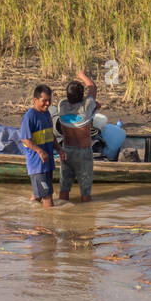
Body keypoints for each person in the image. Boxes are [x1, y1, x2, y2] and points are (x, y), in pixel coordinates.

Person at [53, 68, 98, 203]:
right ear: (82, 96)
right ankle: (87, 218)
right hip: (83, 153)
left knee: (64, 188)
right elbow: (93, 87)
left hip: (66, 150)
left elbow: (87, 94)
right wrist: (82, 75)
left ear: (67, 96)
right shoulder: (87, 107)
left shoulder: (62, 106)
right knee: (85, 191)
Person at [19, 85, 58, 207]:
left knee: (40, 194)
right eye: (44, 101)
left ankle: (26, 213)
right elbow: (25, 139)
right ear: (35, 100)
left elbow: (50, 134)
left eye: (49, 101)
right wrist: (40, 151)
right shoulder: (30, 116)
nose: (47, 104)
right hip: (37, 165)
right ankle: (48, 224)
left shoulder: (46, 114)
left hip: (48, 162)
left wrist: (60, 149)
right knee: (47, 197)